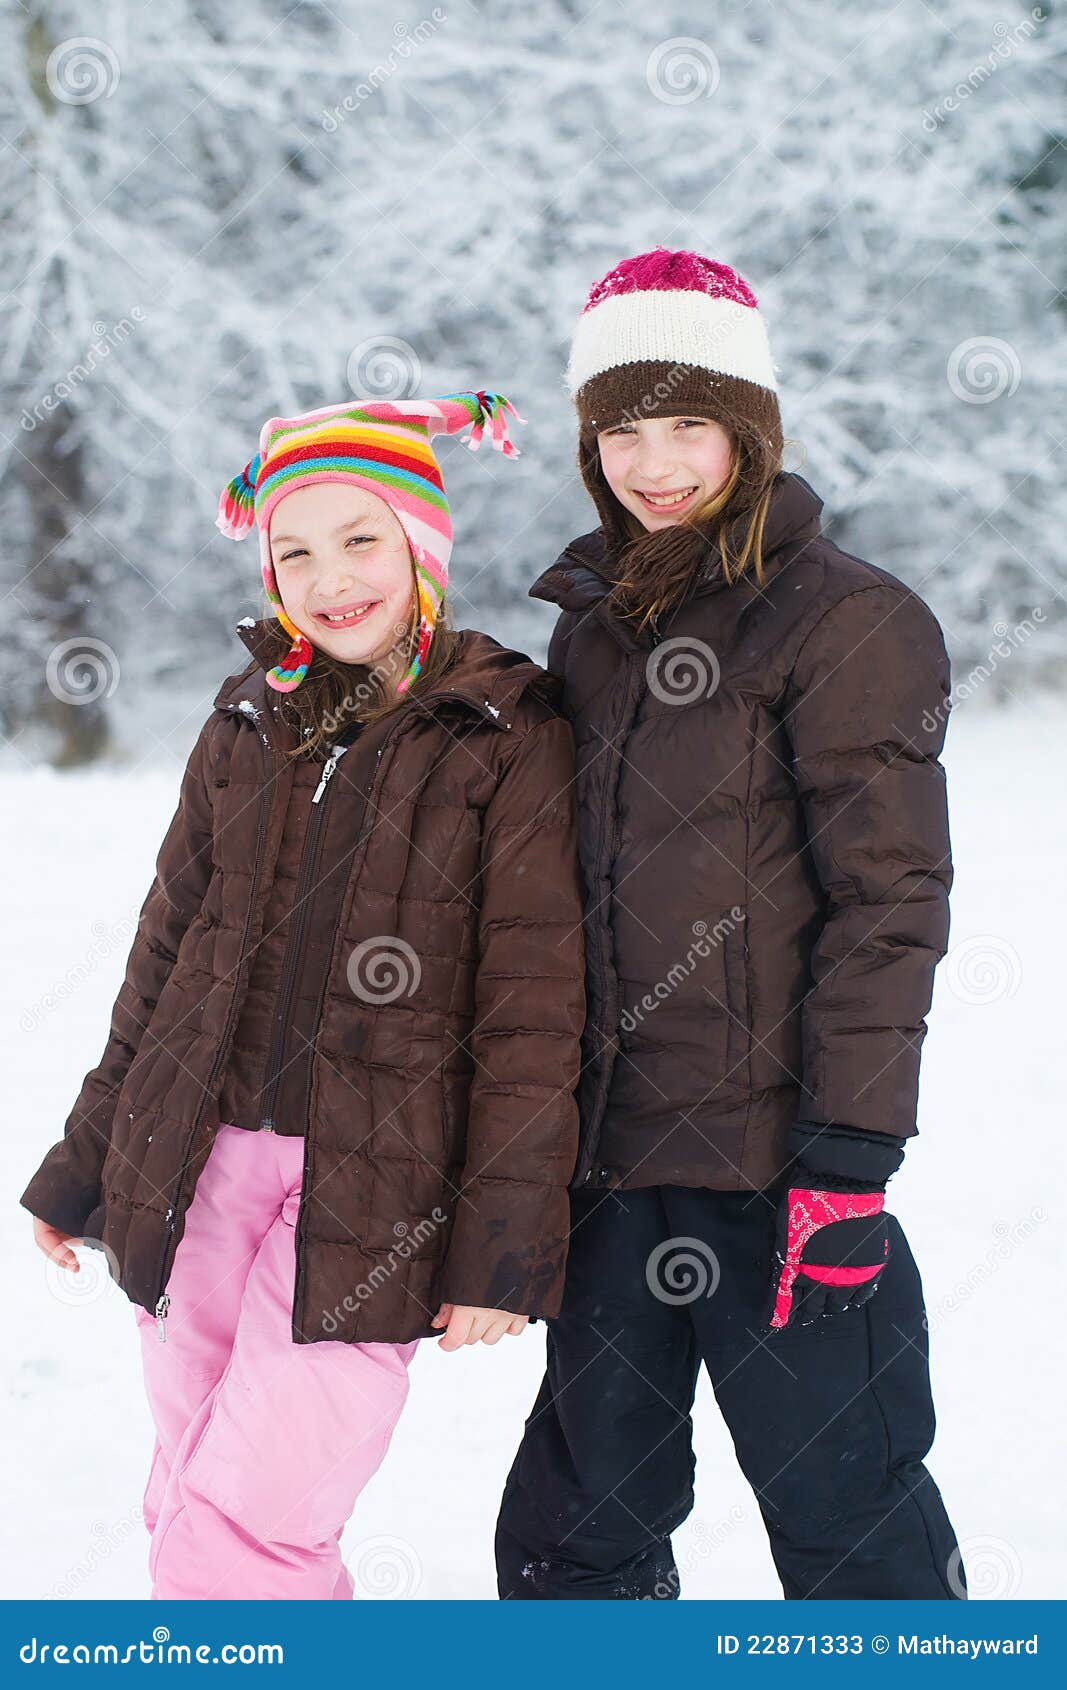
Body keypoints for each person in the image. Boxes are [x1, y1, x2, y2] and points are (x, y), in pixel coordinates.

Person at [21, 390, 587, 1600]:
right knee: (191, 1476)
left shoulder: (500, 727)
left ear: (422, 545)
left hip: (380, 1184)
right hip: (196, 1159)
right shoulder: (243, 719)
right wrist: (86, 1160)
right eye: (295, 549)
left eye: (360, 538)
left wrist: (499, 1242)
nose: (330, 578)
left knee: (258, 1507)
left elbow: (533, 1004)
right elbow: (164, 957)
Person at [495, 249, 967, 1600]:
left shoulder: (846, 621)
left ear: (748, 432)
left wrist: (847, 1155)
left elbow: (889, 902)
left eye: (685, 424)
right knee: (569, 1533)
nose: (651, 462)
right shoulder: (585, 633)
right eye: (620, 429)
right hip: (605, 1171)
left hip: (779, 1165)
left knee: (847, 1520)